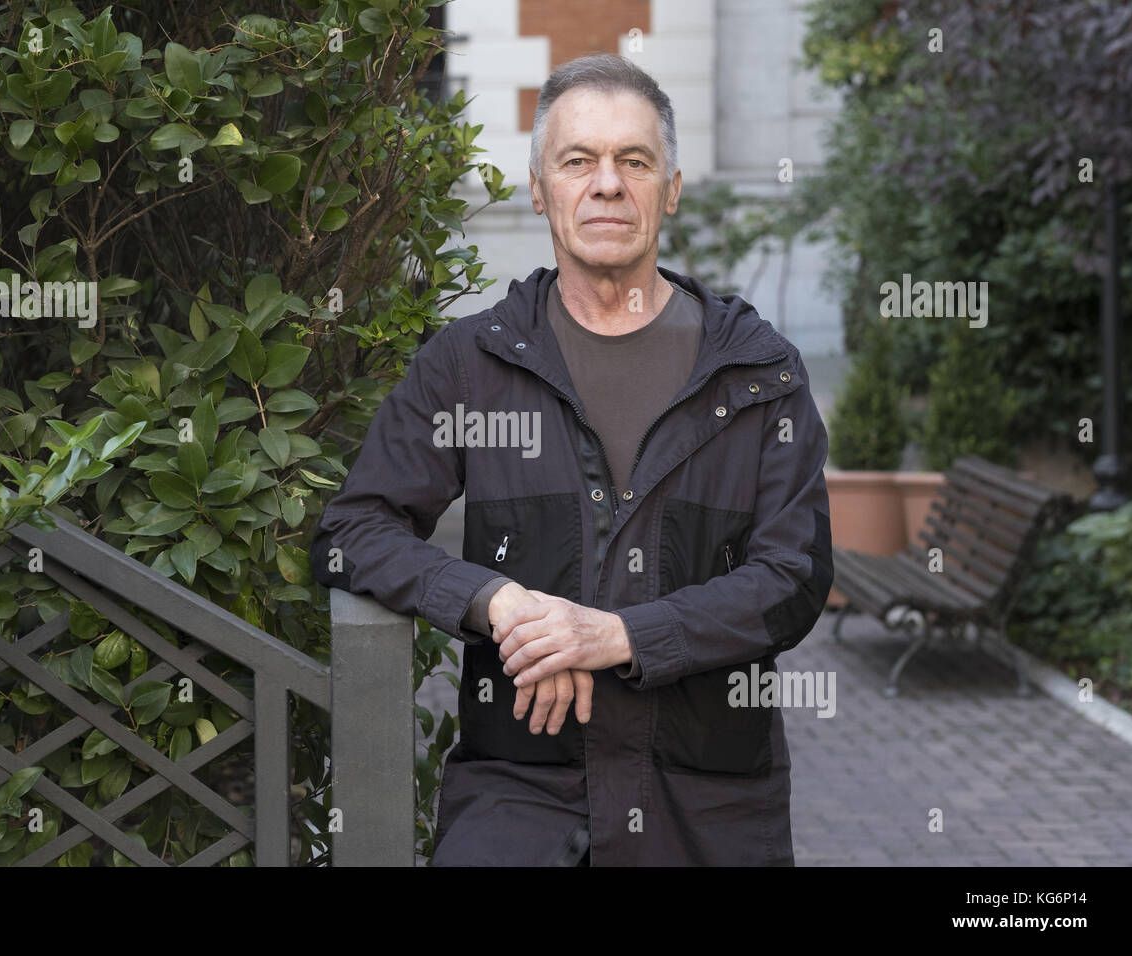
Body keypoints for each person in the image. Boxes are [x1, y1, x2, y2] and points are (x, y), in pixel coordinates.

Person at [309, 53, 833, 866]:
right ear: (539, 188)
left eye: (634, 160)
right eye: (578, 160)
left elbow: (793, 580)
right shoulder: (470, 365)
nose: (608, 183)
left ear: (672, 188)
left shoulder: (759, 375)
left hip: (708, 804)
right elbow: (354, 529)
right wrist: (497, 601)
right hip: (520, 797)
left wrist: (620, 634)